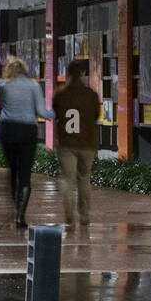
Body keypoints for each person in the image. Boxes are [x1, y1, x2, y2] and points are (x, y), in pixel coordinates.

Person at [0, 55, 54, 228]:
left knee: (13, 171)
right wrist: (56, 114)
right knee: (25, 174)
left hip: (8, 129)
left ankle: (16, 208)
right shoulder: (33, 85)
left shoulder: (2, 85)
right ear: (24, 70)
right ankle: (21, 215)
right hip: (28, 131)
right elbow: (42, 112)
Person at [52, 59, 101, 227]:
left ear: (68, 73)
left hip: (67, 144)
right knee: (84, 179)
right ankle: (85, 216)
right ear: (83, 73)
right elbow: (96, 116)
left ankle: (69, 217)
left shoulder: (60, 93)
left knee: (67, 180)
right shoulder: (91, 94)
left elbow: (56, 113)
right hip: (87, 143)